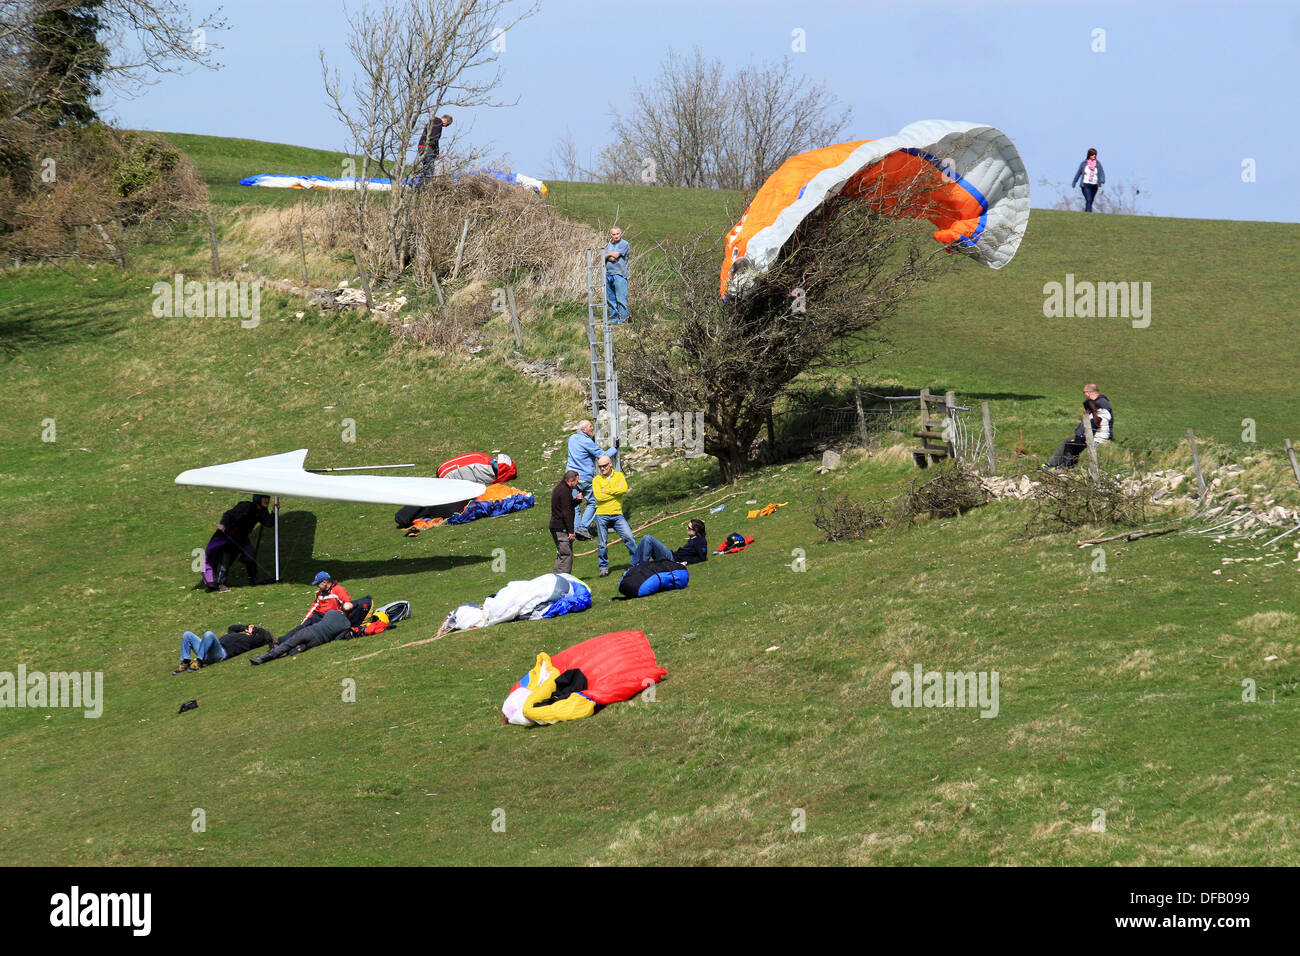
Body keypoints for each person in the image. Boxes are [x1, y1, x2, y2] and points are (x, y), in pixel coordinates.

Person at [202, 494, 275, 592]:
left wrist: (274, 512)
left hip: (242, 537)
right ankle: (220, 583)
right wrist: (223, 523)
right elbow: (228, 514)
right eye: (264, 498)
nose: (267, 501)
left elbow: (268, 523)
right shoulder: (246, 506)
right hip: (230, 536)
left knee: (250, 555)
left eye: (268, 498)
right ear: (258, 499)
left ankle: (254, 579)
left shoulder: (262, 511)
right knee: (226, 560)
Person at [565, 420, 615, 539]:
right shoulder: (586, 441)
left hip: (569, 477)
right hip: (583, 477)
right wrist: (615, 448)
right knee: (594, 501)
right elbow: (602, 456)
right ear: (583, 430)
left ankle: (576, 533)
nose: (592, 428)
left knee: (575, 505)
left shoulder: (572, 438)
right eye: (590, 427)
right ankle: (582, 528)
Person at [250, 609, 352, 665]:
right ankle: (295, 650)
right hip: (318, 640)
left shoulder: (332, 612)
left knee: (287, 644)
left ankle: (263, 658)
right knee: (302, 647)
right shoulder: (347, 625)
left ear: (341, 608)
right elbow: (337, 639)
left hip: (309, 631)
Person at [1048, 383, 1115, 468]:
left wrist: (1079, 437)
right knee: (1069, 441)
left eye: (1084, 393)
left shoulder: (1101, 404)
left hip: (1095, 437)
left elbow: (1094, 426)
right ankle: (1058, 465)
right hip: (1093, 435)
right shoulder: (1100, 403)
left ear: (1087, 392)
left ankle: (1060, 466)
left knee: (1069, 443)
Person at [592, 455, 636, 577]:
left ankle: (637, 562)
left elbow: (624, 489)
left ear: (610, 464)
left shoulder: (619, 476)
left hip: (617, 513)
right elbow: (598, 497)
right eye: (600, 466)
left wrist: (606, 490)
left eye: (604, 466)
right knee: (602, 543)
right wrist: (615, 491)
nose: (602, 469)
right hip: (601, 514)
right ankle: (603, 567)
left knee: (629, 537)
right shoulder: (596, 480)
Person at [174, 623, 273, 674]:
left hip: (221, 653)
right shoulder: (236, 634)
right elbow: (232, 628)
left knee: (209, 634)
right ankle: (185, 662)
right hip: (211, 649)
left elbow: (266, 635)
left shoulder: (251, 641)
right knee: (187, 634)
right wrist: (245, 627)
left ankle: (199, 661)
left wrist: (255, 629)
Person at [632, 519, 708, 567]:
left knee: (648, 538)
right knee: (646, 540)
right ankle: (635, 566)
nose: (686, 528)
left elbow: (702, 557)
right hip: (673, 556)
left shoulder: (700, 541)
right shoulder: (694, 538)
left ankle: (640, 567)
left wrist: (686, 562)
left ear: (696, 530)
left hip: (672, 559)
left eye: (689, 528)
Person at [550, 470, 581, 574]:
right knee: (566, 555)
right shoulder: (565, 491)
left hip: (556, 526)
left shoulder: (561, 488)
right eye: (577, 481)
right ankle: (564, 581)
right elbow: (566, 513)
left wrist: (577, 501)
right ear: (571, 480)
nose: (577, 483)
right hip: (561, 528)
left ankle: (556, 578)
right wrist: (571, 531)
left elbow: (566, 506)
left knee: (562, 554)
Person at [603, 226, 630, 323]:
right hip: (608, 274)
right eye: (614, 234)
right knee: (611, 299)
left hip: (620, 275)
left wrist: (609, 255)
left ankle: (623, 320)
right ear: (611, 235)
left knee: (621, 298)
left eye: (617, 234)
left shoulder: (624, 244)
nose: (616, 236)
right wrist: (609, 255)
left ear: (621, 234)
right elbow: (602, 256)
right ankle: (613, 319)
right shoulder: (609, 245)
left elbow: (615, 256)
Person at [417, 113, 453, 177]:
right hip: (428, 147)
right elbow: (435, 139)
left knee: (425, 168)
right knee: (429, 170)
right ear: (446, 121)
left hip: (421, 146)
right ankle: (424, 186)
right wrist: (436, 152)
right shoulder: (438, 123)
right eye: (447, 124)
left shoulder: (432, 122)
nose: (445, 126)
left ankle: (421, 185)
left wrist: (436, 151)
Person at [1071, 148, 1105, 213]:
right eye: (1092, 155)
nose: (1094, 156)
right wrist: (1074, 182)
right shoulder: (1084, 164)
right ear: (1089, 155)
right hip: (1086, 184)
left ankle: (1087, 212)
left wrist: (1102, 179)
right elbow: (1078, 173)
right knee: (1088, 199)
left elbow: (1101, 172)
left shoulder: (1098, 164)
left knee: (1091, 200)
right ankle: (1089, 212)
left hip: (1094, 185)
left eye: (1095, 155)